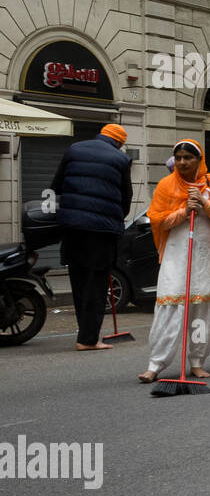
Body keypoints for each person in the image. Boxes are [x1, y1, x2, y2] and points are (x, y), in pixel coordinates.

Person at [138, 140, 210, 383]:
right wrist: (184, 211)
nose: (183, 162)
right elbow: (157, 220)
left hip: (207, 255)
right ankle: (155, 364)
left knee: (202, 310)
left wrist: (206, 204)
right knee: (169, 307)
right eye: (178, 158)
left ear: (200, 160)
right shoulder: (166, 185)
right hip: (177, 255)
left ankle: (197, 362)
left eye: (188, 157)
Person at [51, 123, 133, 351]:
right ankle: (88, 339)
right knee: (96, 284)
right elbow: (126, 198)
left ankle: (83, 334)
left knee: (78, 281)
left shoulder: (74, 149)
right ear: (119, 143)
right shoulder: (121, 160)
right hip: (102, 231)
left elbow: (56, 186)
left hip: (72, 228)